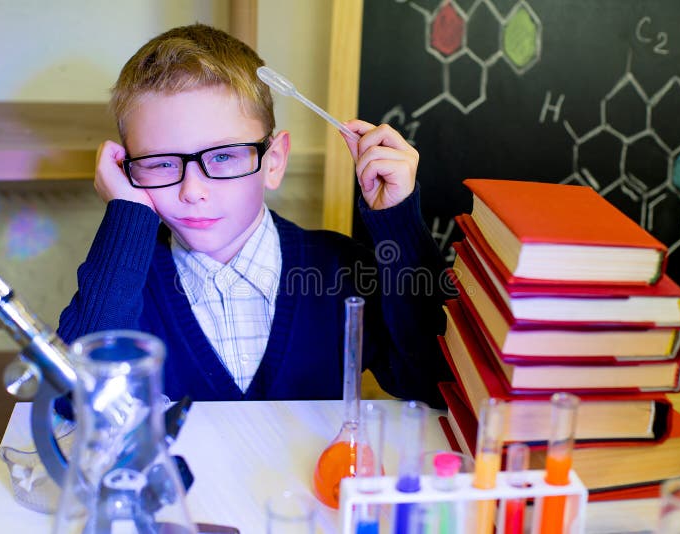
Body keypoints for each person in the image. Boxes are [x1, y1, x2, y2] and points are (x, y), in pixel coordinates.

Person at [56, 23, 452, 407]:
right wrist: (127, 214)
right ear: (127, 170)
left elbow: (434, 379)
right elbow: (73, 400)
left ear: (274, 161)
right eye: (160, 163)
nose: (192, 192)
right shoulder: (123, 284)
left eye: (224, 156)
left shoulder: (339, 270)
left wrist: (398, 221)